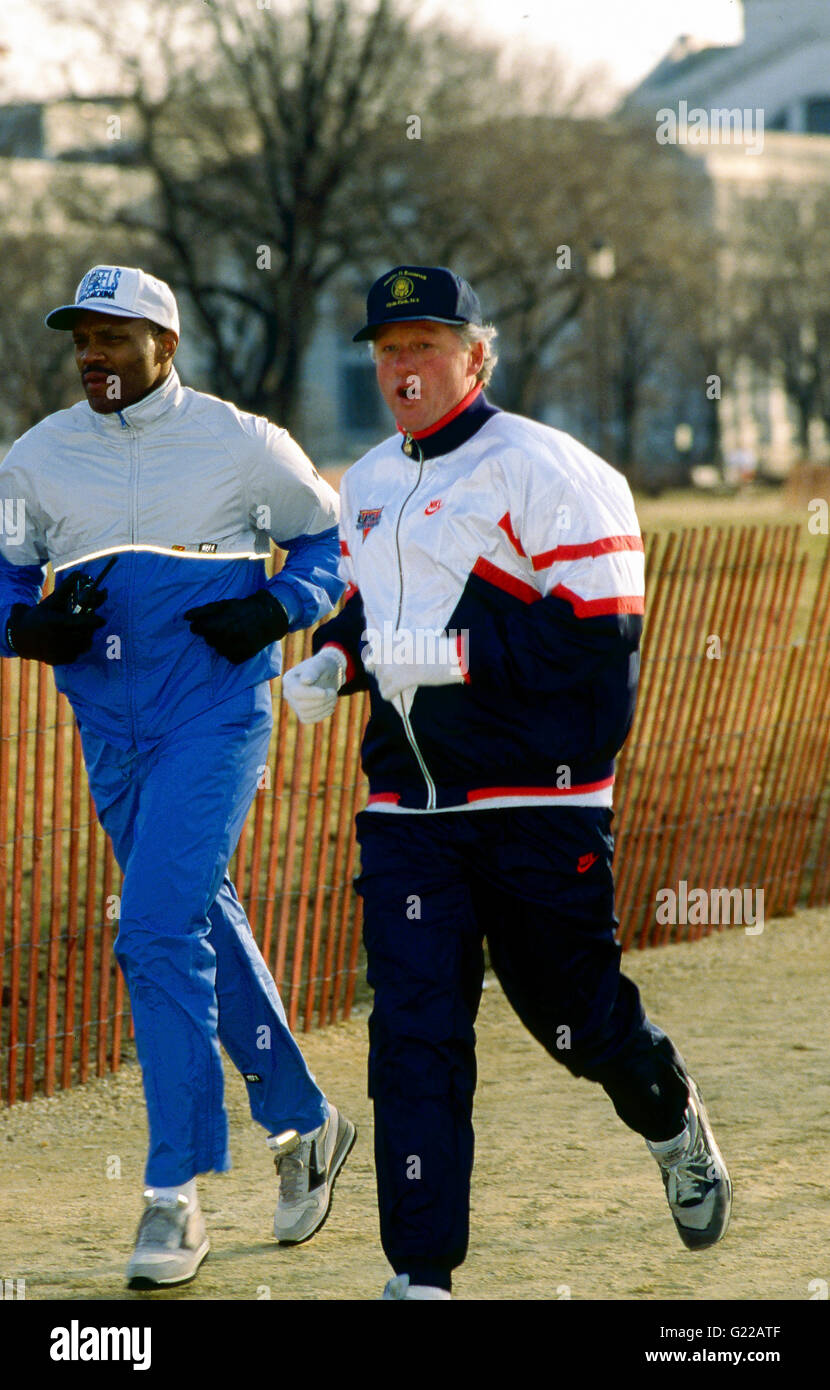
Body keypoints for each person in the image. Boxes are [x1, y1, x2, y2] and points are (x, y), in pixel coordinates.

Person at [282, 264, 732, 1300]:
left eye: (424, 346)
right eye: (387, 350)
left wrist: (440, 655)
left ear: (475, 356)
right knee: (412, 1036)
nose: (403, 367)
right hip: (405, 813)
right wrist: (336, 658)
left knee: (572, 1016)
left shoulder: (549, 467)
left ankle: (666, 1118)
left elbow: (597, 636)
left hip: (540, 800)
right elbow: (371, 615)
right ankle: (420, 1276)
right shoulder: (365, 483)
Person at [0, 264, 356, 1290]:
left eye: (113, 336)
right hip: (108, 724)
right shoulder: (39, 455)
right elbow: (6, 574)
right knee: (193, 915)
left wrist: (279, 607)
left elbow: (325, 539)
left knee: (153, 928)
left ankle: (173, 1193)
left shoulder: (243, 443)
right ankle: (303, 1121)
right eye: (82, 337)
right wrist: (27, 625)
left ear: (166, 344)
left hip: (216, 712)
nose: (92, 355)